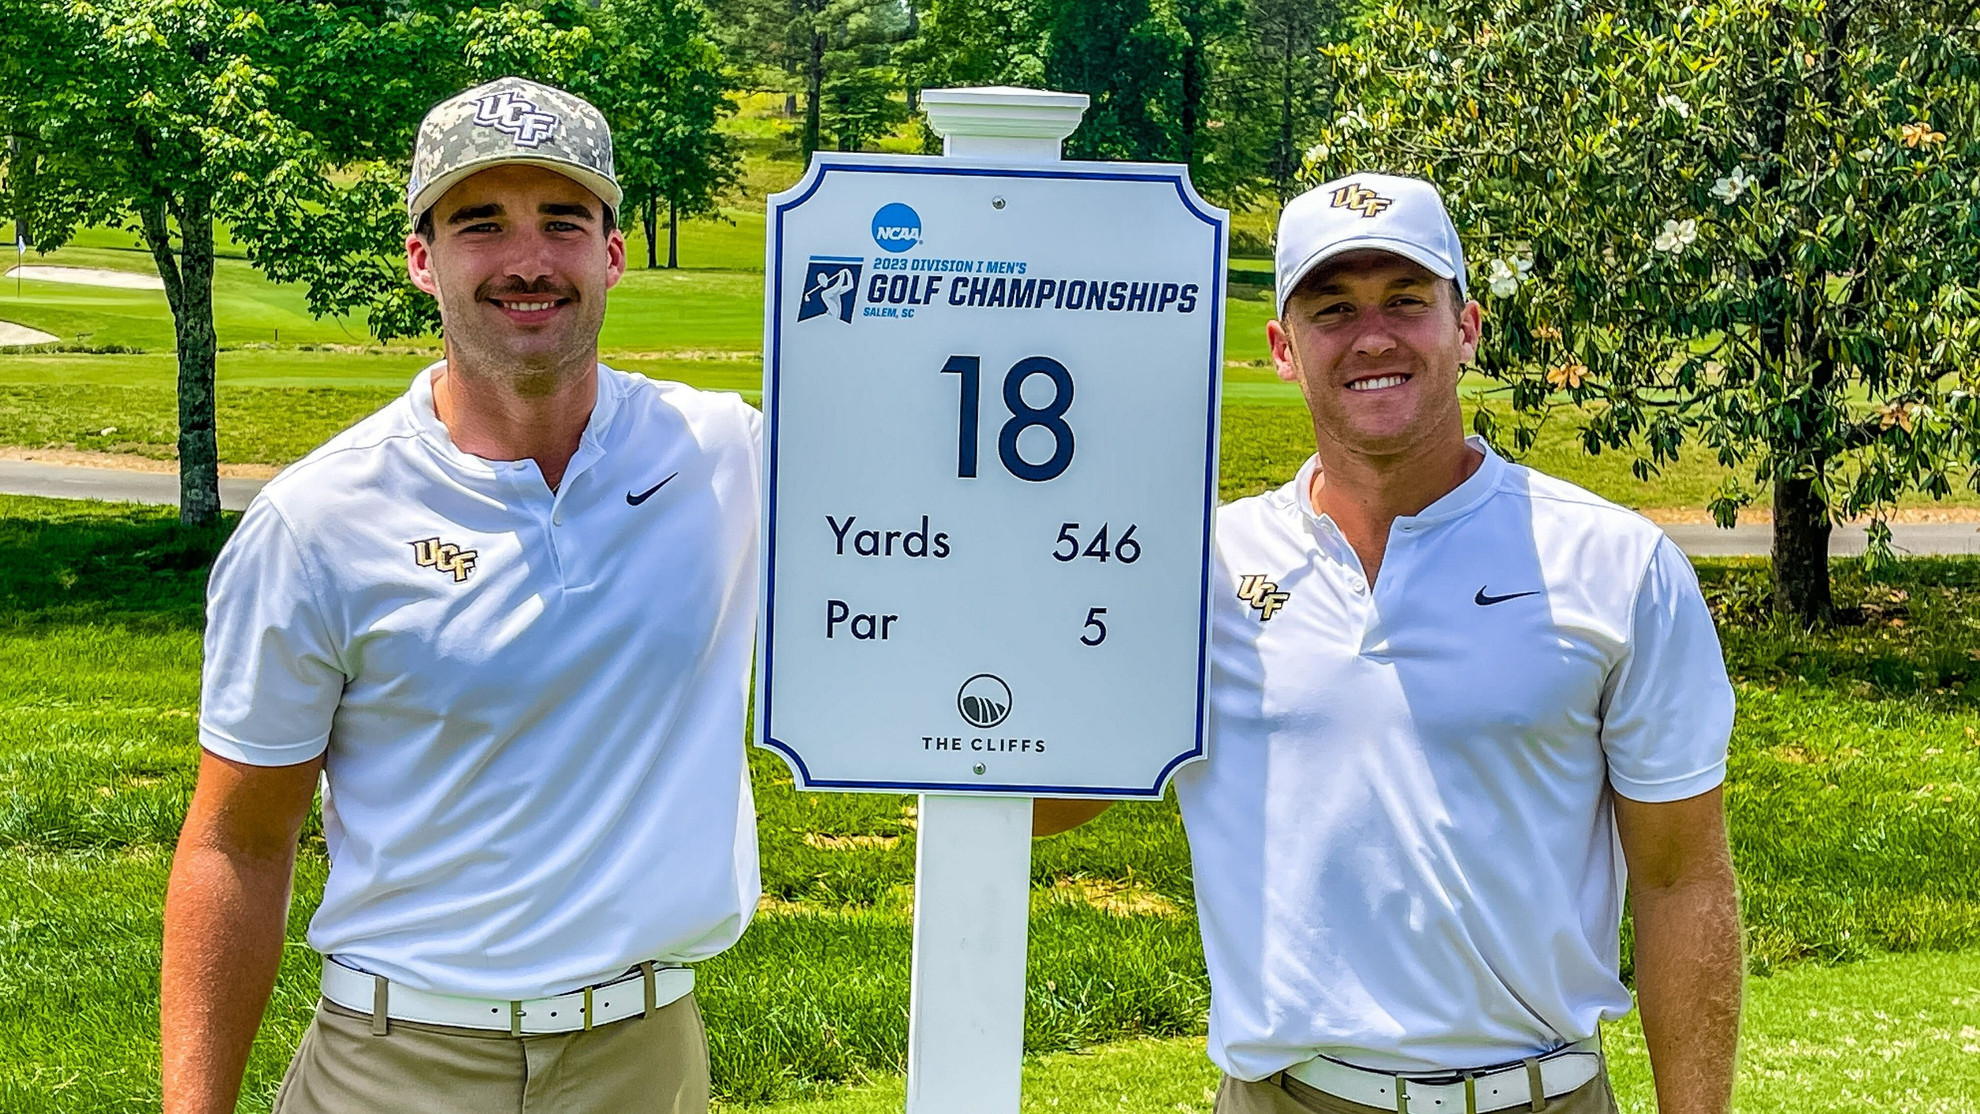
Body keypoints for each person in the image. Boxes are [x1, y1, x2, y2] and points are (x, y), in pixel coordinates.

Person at [1040, 172, 1742, 1113]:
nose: (1373, 335)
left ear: (1467, 327)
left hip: (1546, 1094)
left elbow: (1682, 875)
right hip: (1287, 1097)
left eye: (1407, 301)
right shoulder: (1199, 567)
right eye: (1333, 309)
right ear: (1285, 349)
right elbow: (1051, 801)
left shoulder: (1615, 564)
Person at [160, 77, 762, 1114]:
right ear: (421, 259)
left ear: (612, 252)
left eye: (562, 222)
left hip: (646, 1061)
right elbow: (239, 842)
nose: (527, 259)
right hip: (397, 1063)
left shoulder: (728, 456)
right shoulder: (321, 520)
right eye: (480, 223)